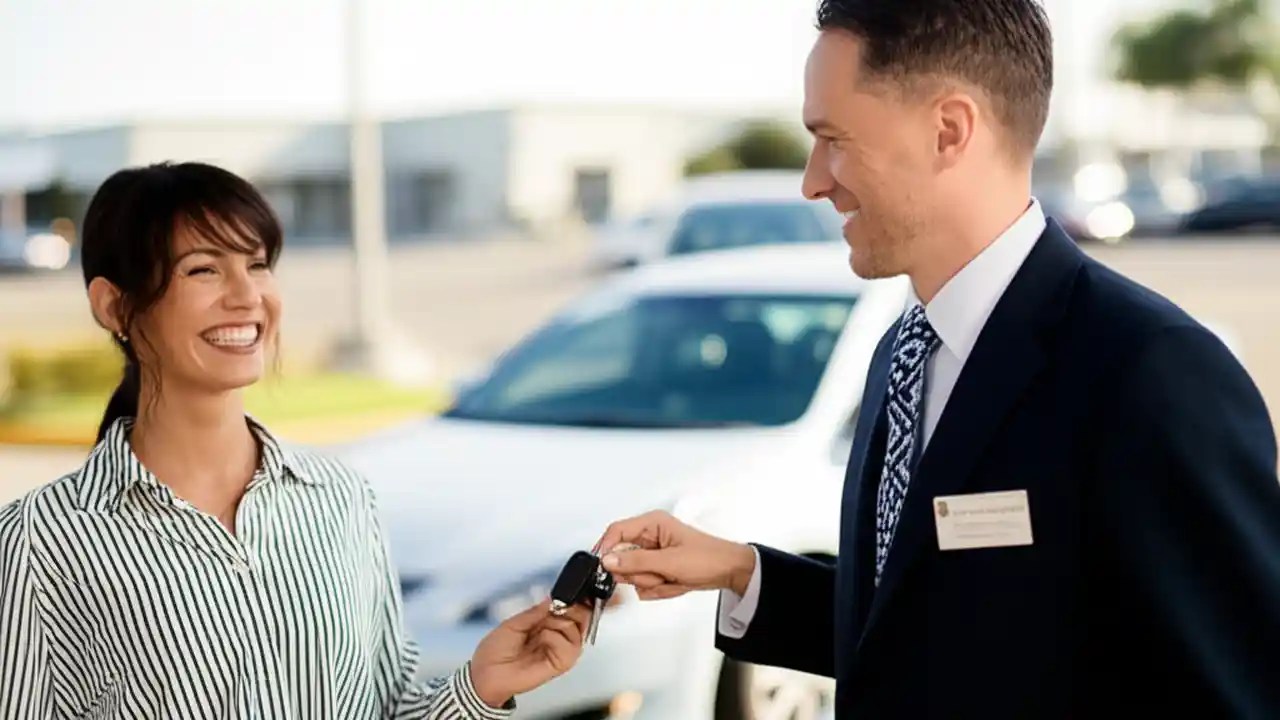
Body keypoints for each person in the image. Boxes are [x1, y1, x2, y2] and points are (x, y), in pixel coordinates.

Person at [594, 0, 1280, 717]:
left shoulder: (1152, 371)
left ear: (948, 131)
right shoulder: (901, 353)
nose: (812, 181)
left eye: (833, 138)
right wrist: (741, 571)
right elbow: (926, 629)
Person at [0, 161, 590, 719]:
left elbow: (388, 703)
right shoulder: (38, 542)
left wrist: (480, 684)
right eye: (204, 269)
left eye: (257, 265)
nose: (246, 296)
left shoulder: (341, 497)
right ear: (114, 305)